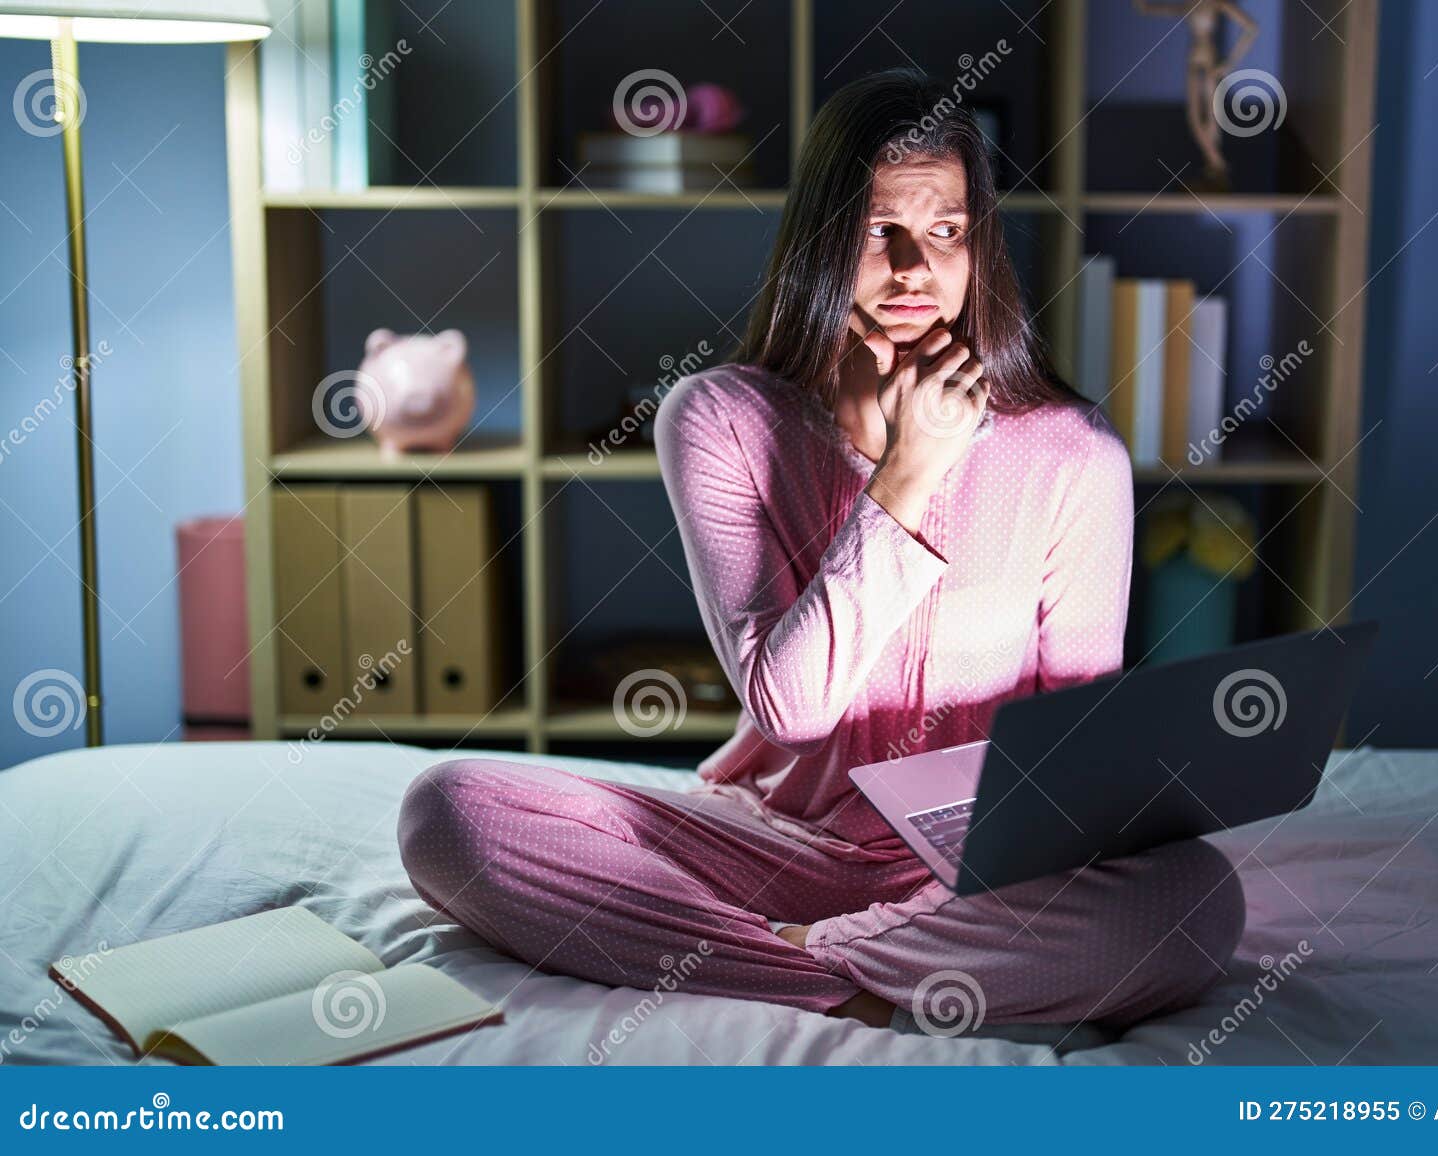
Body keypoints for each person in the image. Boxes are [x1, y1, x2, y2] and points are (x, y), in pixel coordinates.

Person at [398, 69, 1244, 1035]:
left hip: (976, 868)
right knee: (448, 810)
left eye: (947, 233)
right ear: (820, 240)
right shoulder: (721, 418)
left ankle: (800, 959)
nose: (914, 268)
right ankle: (855, 982)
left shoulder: (1073, 456)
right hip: (771, 839)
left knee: (1194, 898)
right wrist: (907, 476)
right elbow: (791, 709)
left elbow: (1070, 757)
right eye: (877, 231)